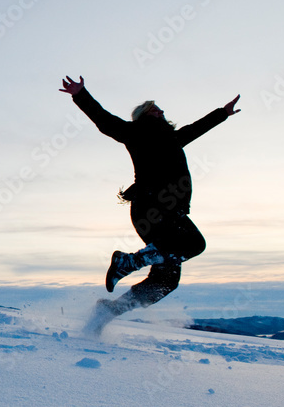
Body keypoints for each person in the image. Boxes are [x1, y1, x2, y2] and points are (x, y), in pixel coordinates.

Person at [59, 75, 240, 337]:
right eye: (156, 109)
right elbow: (104, 121)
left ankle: (108, 311)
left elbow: (196, 128)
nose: (162, 111)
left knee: (165, 282)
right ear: (144, 115)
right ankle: (129, 262)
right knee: (194, 244)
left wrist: (222, 113)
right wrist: (81, 94)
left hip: (169, 211)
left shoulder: (174, 138)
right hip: (152, 207)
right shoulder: (135, 133)